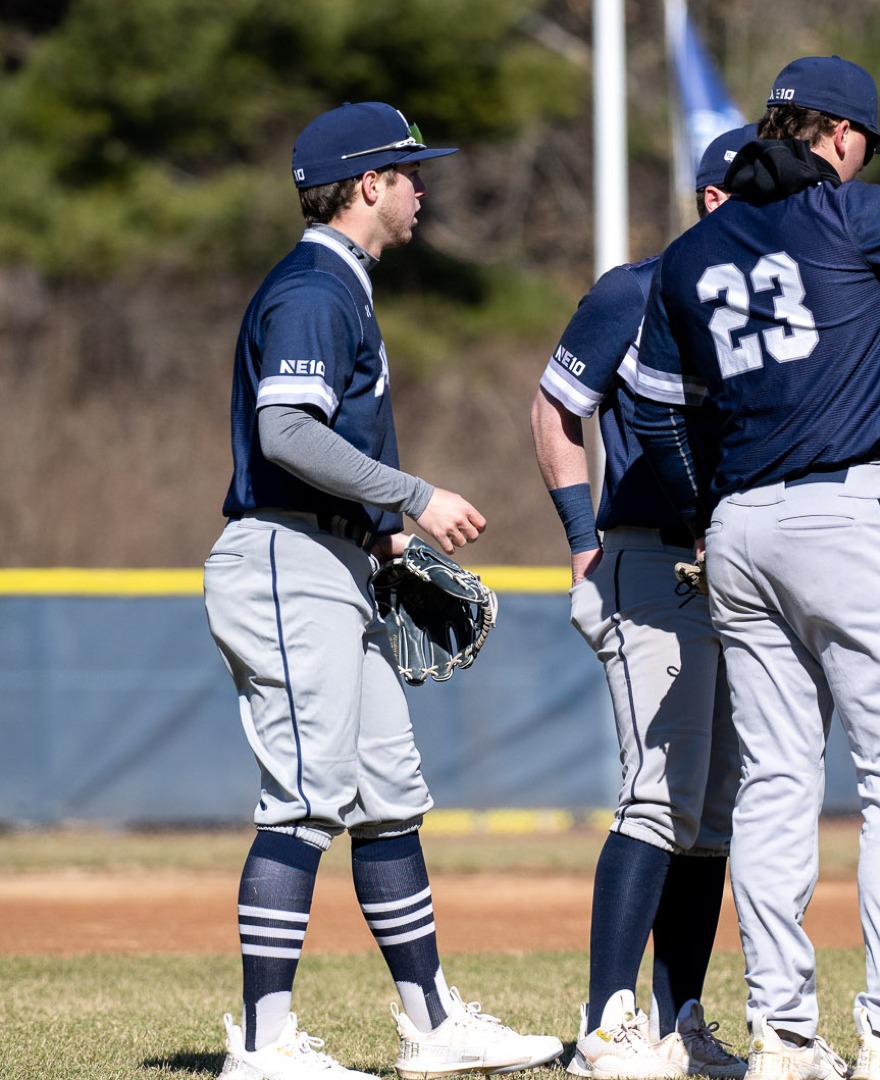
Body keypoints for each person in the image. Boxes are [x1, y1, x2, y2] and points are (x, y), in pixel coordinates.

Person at [628, 52, 880, 1080]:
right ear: (844, 138)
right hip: (843, 518)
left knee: (773, 781)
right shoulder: (848, 218)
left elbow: (652, 409)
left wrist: (697, 513)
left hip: (735, 532)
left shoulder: (690, 255)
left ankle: (781, 1034)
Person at [203, 101, 563, 1080]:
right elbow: (286, 434)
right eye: (409, 174)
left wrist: (386, 536)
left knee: (387, 795)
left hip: (334, 558)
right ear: (368, 185)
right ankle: (264, 1045)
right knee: (307, 799)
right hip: (284, 560)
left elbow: (317, 446)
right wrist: (414, 495)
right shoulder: (317, 286)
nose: (421, 188)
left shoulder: (342, 288)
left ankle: (430, 1026)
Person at [529, 123, 759, 1080]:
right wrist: (582, 543)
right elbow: (553, 409)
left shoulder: (762, 310)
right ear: (716, 200)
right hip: (646, 563)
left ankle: (680, 1025)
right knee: (656, 800)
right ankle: (605, 1024)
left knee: (713, 814)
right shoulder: (633, 290)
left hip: (736, 574)